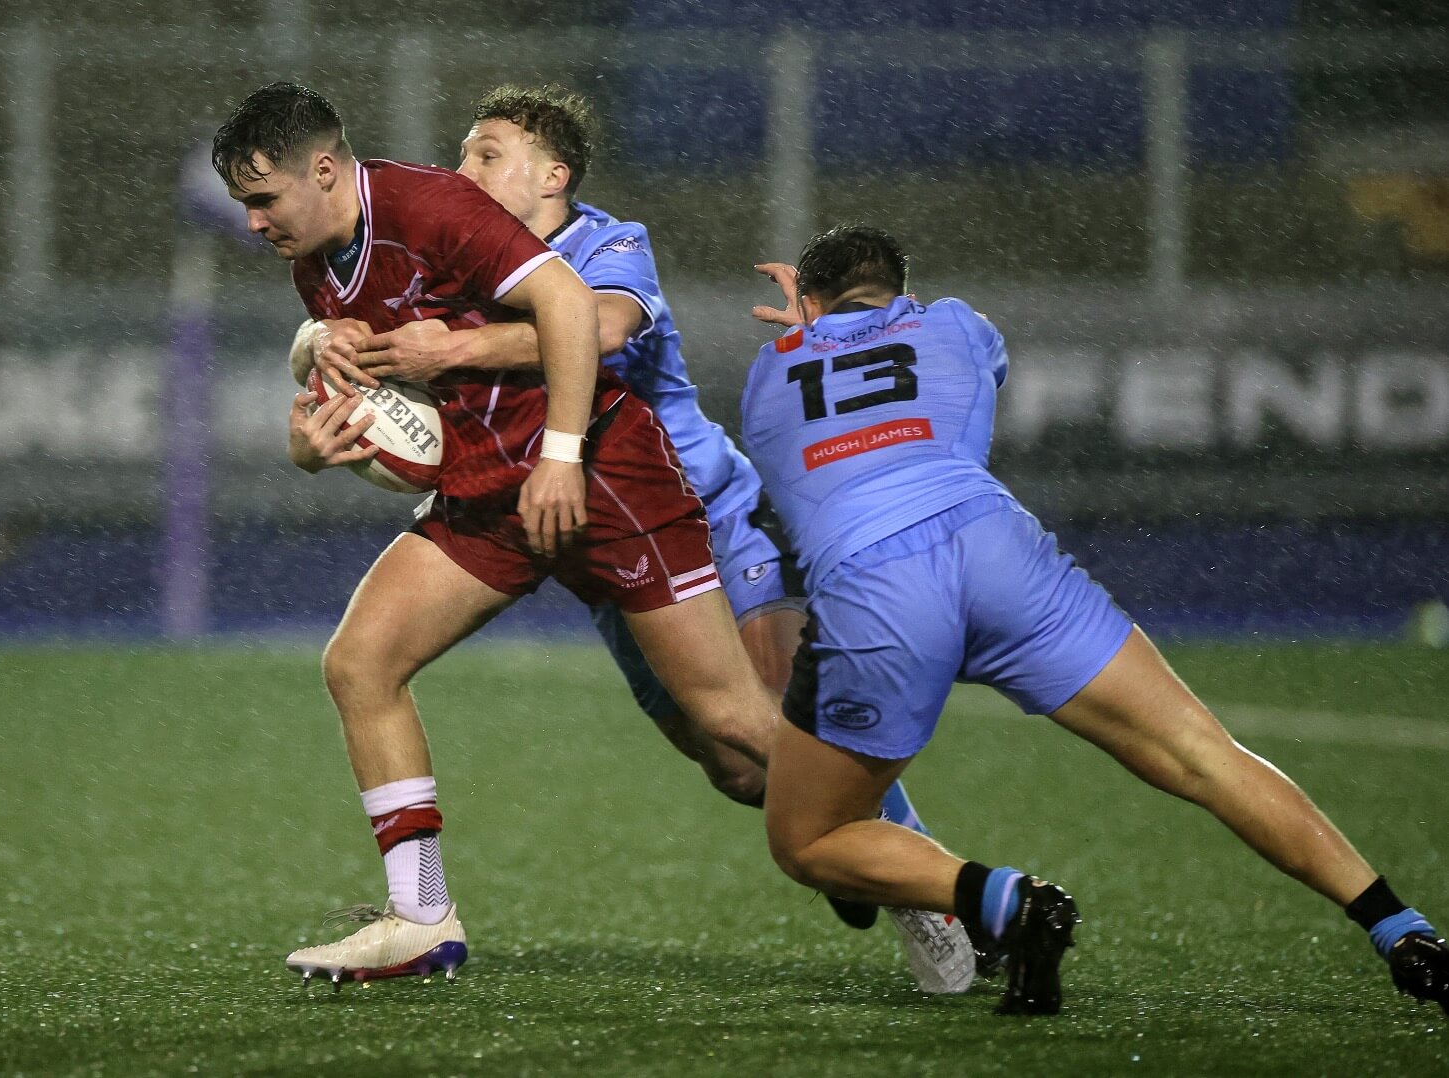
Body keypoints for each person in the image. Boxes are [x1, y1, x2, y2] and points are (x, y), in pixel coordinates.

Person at [294, 84, 981, 992]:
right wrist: (315, 375)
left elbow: (599, 325)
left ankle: (929, 883)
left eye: (486, 153)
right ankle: (858, 853)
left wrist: (445, 351)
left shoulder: (607, 244)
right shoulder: (458, 255)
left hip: (701, 511)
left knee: (755, 724)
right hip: (558, 523)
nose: (464, 170)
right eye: (462, 154)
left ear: (553, 173)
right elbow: (379, 354)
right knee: (731, 768)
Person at [740, 223, 1449, 1016]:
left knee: (809, 838)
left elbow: (811, 429)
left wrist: (813, 335)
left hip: (880, 583)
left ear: (807, 298)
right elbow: (941, 364)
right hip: (1001, 555)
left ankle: (1009, 901)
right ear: (906, 286)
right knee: (1205, 755)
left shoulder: (768, 379)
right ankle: (1403, 929)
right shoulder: (954, 323)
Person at [213, 81, 789, 988]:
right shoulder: (320, 256)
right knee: (361, 663)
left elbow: (571, 311)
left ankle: (932, 879)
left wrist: (559, 454)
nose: (252, 222)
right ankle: (422, 914)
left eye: (262, 199)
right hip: (492, 495)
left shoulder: (433, 207)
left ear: (323, 169)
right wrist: (314, 442)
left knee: (737, 731)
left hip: (601, 471)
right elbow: (391, 403)